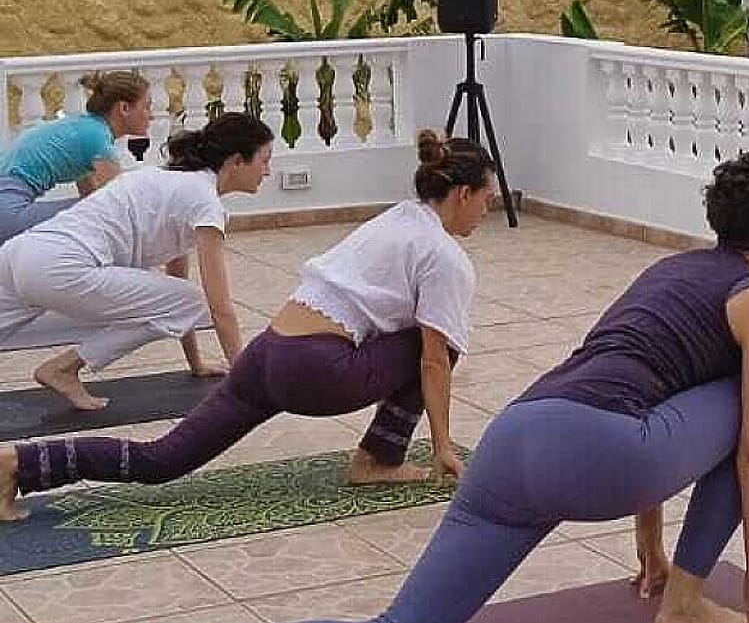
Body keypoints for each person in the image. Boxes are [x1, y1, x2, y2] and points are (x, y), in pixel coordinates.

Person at [122, 146, 749, 623]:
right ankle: (686, 605)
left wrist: (651, 546)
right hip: (601, 453)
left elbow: (643, 379)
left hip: (516, 437)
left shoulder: (672, 270)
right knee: (744, 406)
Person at [0, 129, 494, 520]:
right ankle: (378, 459)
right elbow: (433, 360)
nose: (487, 210)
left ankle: (21, 464)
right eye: (486, 199)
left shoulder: (397, 217)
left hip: (268, 353)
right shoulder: (445, 257)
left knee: (162, 460)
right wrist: (443, 446)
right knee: (442, 341)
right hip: (316, 370)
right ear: (462, 194)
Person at [0, 111, 274, 411]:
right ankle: (64, 368)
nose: (268, 171)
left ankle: (65, 368)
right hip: (60, 266)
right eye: (264, 160)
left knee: (183, 300)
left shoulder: (167, 180)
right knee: (192, 300)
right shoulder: (205, 203)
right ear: (236, 161)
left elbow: (176, 290)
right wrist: (245, 381)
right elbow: (218, 307)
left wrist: (195, 363)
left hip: (19, 254)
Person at [0, 71, 152, 245]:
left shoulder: (84, 127)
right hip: (7, 216)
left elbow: (91, 195)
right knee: (108, 212)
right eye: (147, 107)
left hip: (7, 210)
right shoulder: (96, 137)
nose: (151, 115)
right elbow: (121, 201)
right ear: (124, 108)